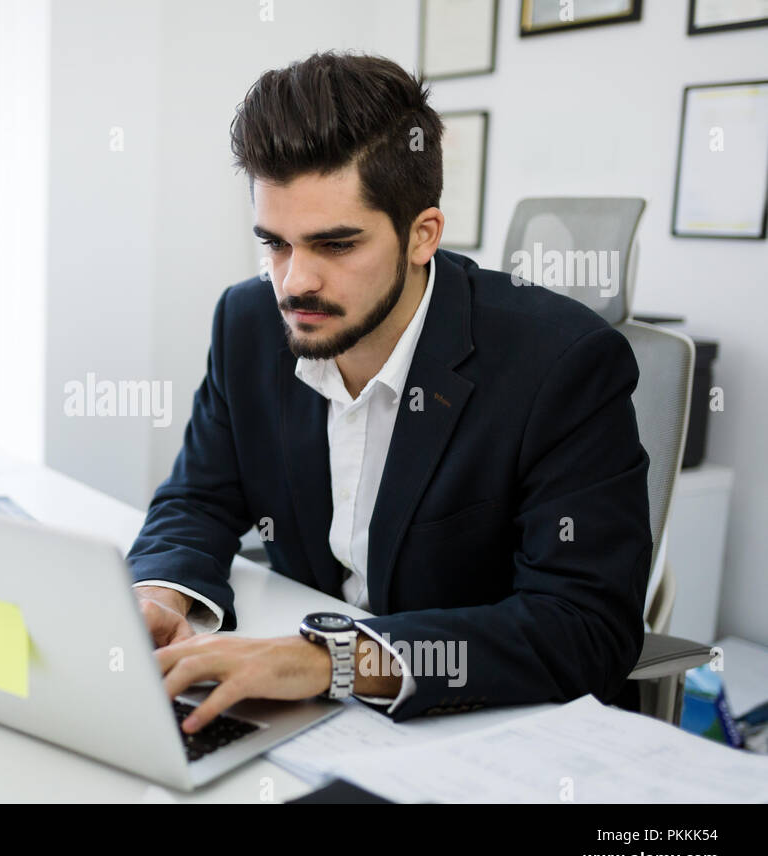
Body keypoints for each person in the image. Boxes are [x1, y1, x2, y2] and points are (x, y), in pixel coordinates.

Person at [126, 51, 651, 734]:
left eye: (336, 245)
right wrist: (162, 593)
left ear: (422, 235)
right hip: (317, 722)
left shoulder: (564, 365)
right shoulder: (248, 323)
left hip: (489, 730)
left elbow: (583, 628)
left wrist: (331, 661)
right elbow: (199, 496)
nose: (294, 283)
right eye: (275, 244)